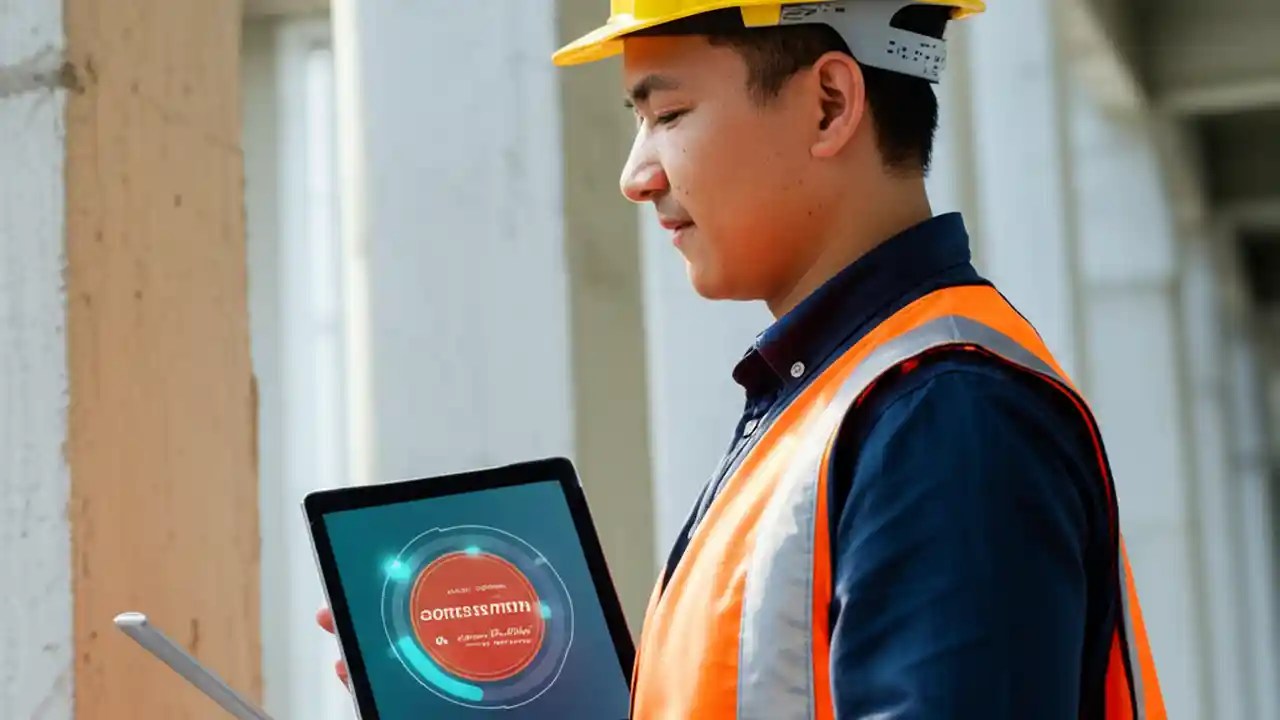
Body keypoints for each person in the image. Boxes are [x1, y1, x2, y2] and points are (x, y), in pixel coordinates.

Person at [321, 1, 1167, 716]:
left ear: (831, 104)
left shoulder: (945, 414)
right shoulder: (835, 407)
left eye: (668, 114)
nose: (636, 175)